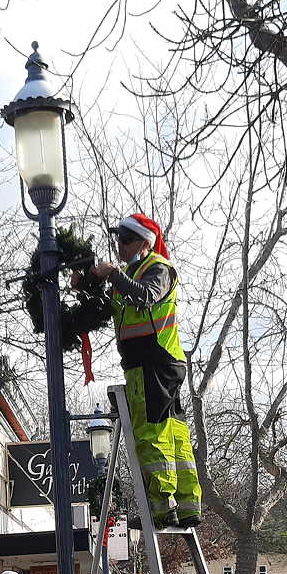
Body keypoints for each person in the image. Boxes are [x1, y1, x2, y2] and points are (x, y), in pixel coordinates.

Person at [79, 213, 203, 529]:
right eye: (117, 239)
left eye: (125, 239)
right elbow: (109, 308)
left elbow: (145, 297)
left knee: (151, 433)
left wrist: (114, 275)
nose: (119, 245)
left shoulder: (158, 268)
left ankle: (161, 508)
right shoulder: (131, 275)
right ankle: (187, 506)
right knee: (173, 434)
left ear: (143, 243)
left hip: (153, 362)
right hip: (157, 363)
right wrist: (88, 285)